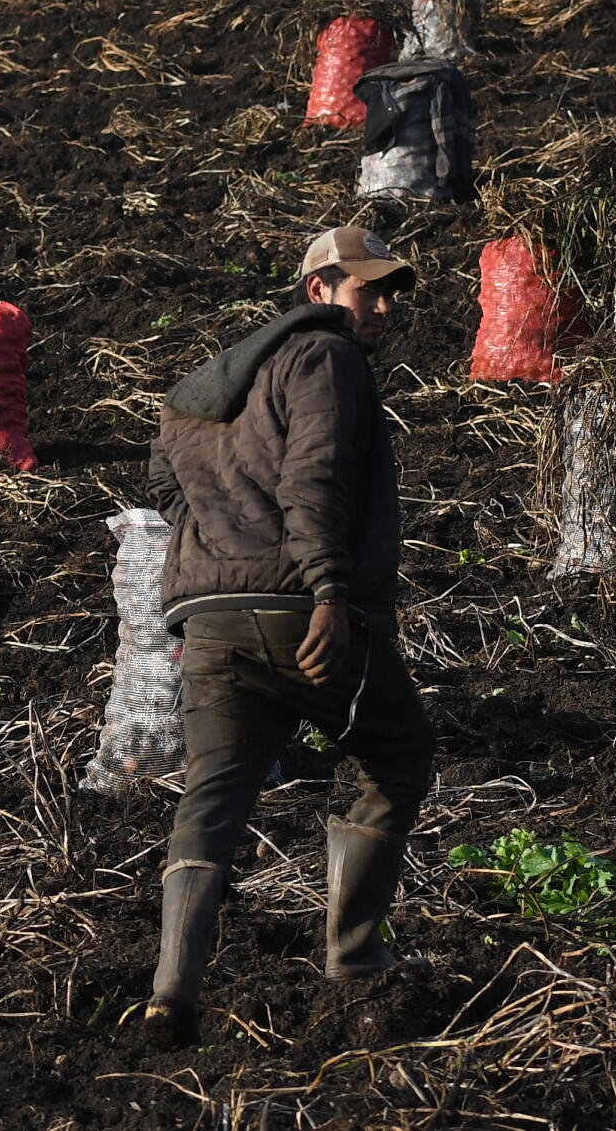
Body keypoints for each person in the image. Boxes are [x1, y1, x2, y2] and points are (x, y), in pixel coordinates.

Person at [140, 225, 437, 1048]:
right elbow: (317, 477)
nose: (383, 307)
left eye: (390, 293)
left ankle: (171, 991)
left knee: (213, 794)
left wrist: (218, 539)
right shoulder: (325, 356)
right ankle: (356, 957)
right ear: (319, 291)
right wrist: (330, 591)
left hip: (212, 622)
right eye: (368, 290)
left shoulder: (208, 385)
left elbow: (163, 478)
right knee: (400, 755)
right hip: (302, 610)